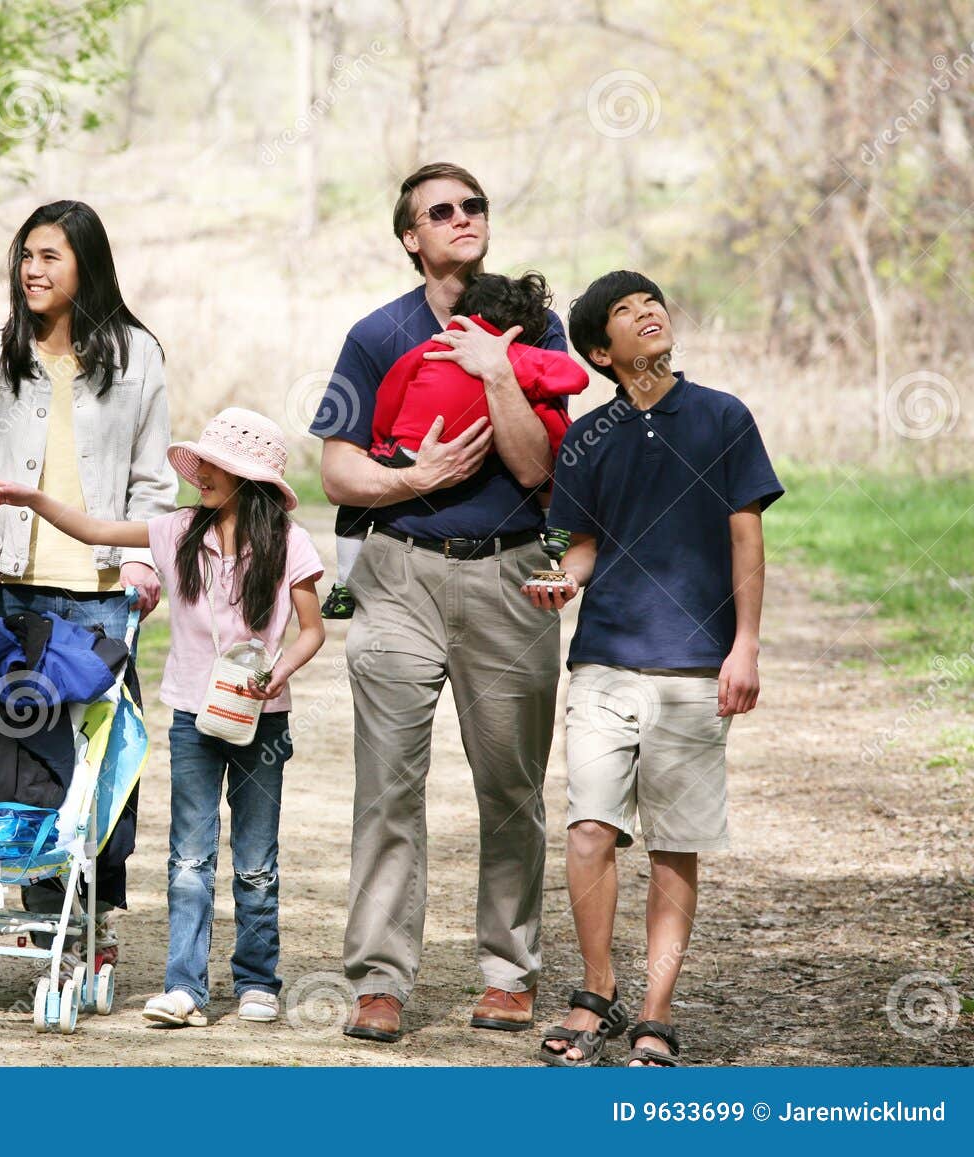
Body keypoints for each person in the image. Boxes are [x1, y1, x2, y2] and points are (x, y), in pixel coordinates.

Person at [314, 162, 569, 1043]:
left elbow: (540, 468)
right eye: (442, 211)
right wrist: (411, 477)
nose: (464, 218)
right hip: (398, 573)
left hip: (510, 574)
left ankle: (509, 971)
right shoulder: (375, 333)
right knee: (387, 786)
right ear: (411, 237)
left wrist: (498, 371)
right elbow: (335, 465)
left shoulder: (537, 324)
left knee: (511, 786)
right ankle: (379, 981)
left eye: (475, 205)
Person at [0, 407, 325, 1028]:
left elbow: (312, 631)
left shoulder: (291, 544)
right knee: (189, 855)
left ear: (248, 479)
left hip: (260, 719)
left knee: (255, 858)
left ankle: (256, 981)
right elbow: (92, 529)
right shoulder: (179, 531)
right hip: (194, 719)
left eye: (215, 468)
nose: (202, 478)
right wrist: (32, 498)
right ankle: (184, 985)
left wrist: (279, 671)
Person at [526, 270, 782, 1067]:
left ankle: (654, 1014)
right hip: (604, 657)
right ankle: (596, 990)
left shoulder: (723, 417)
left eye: (652, 302)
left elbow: (747, 536)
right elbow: (585, 543)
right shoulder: (589, 438)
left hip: (695, 667)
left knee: (675, 843)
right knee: (589, 829)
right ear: (601, 350)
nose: (648, 314)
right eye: (625, 313)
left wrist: (744, 646)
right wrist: (567, 581)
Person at [0, 199, 179, 962]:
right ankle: (48, 907)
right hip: (16, 584)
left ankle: (95, 912)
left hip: (104, 589)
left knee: (106, 750)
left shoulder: (138, 355)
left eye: (50, 256)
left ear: (87, 266)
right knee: (28, 747)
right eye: (25, 256)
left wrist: (145, 559)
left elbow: (153, 476)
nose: (32, 270)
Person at [327, 271, 587, 596]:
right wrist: (421, 478)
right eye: (440, 215)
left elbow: (392, 391)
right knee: (556, 428)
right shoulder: (520, 352)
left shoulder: (431, 347)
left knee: (354, 511)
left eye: (475, 213)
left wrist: (386, 441)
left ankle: (342, 587)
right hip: (403, 565)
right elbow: (573, 378)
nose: (462, 220)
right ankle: (558, 529)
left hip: (406, 452)